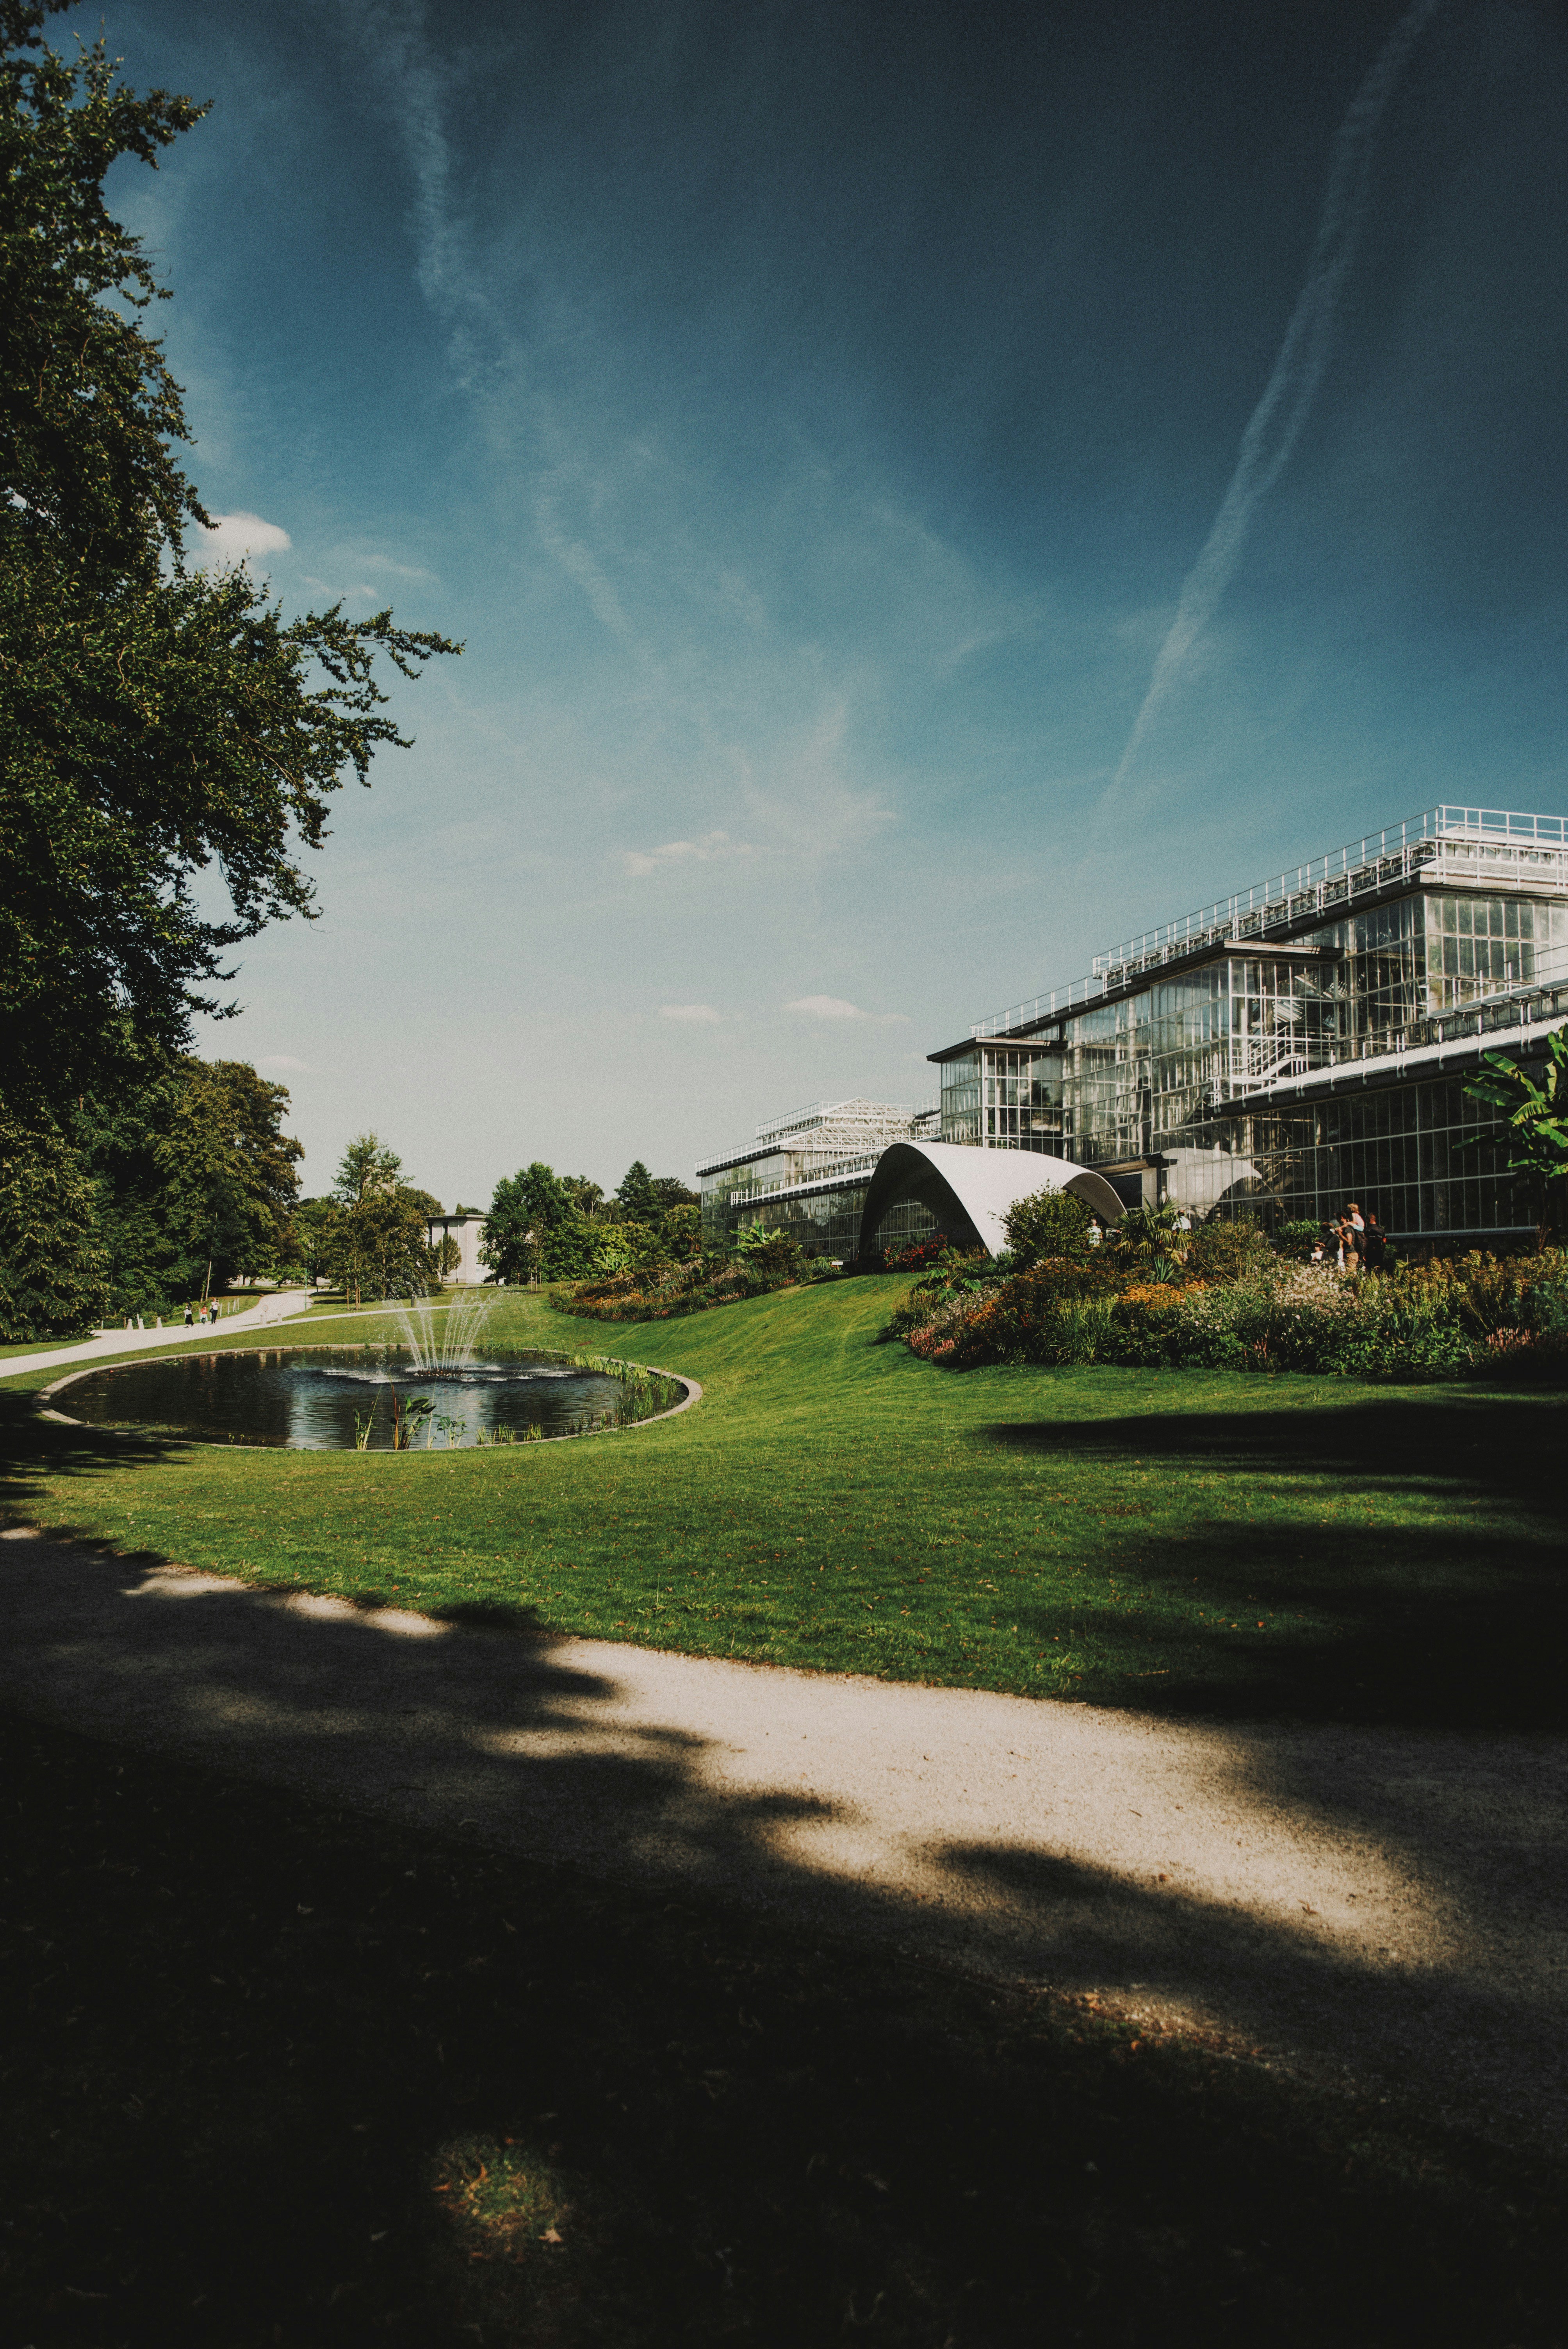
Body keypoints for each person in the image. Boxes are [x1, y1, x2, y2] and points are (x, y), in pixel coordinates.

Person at [1342, 1201, 1365, 1276]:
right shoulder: (1357, 1214)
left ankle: (1339, 1229)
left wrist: (1349, 1222)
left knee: (1348, 1223)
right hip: (1361, 1228)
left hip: (1360, 1228)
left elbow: (1354, 1222)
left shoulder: (1353, 1214)